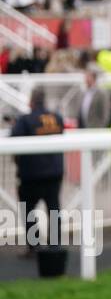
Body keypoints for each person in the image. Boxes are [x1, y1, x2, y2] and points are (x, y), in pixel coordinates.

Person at [10, 89, 65, 257]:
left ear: (31, 101)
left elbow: (14, 139)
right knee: (54, 209)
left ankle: (33, 247)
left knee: (28, 210)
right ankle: (54, 245)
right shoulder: (56, 117)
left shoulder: (25, 120)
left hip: (31, 175)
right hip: (54, 173)